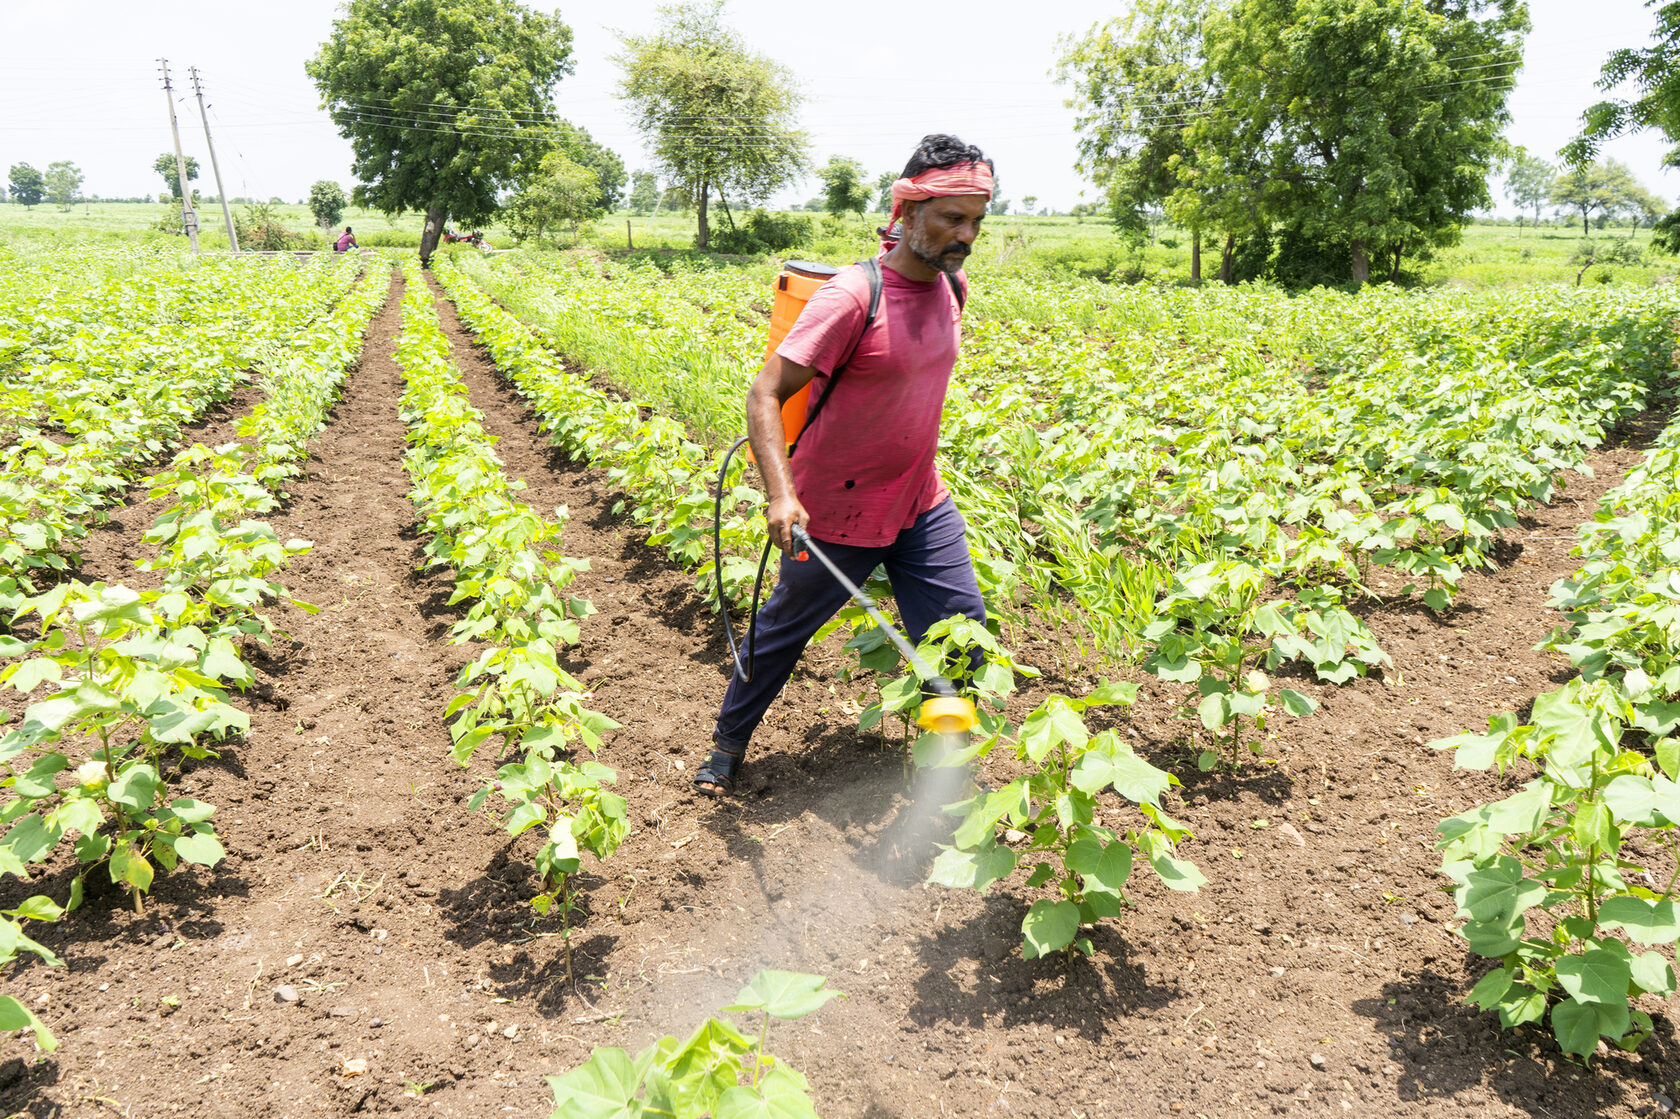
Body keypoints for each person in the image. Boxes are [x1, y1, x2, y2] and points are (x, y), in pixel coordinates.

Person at [696, 133, 994, 798]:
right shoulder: (853, 298)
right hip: (834, 512)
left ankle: (943, 766)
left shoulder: (953, 287)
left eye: (976, 219)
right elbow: (764, 394)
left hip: (920, 502)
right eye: (951, 217)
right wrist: (781, 495)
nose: (964, 234)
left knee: (962, 639)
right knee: (781, 633)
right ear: (908, 211)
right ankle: (726, 746)